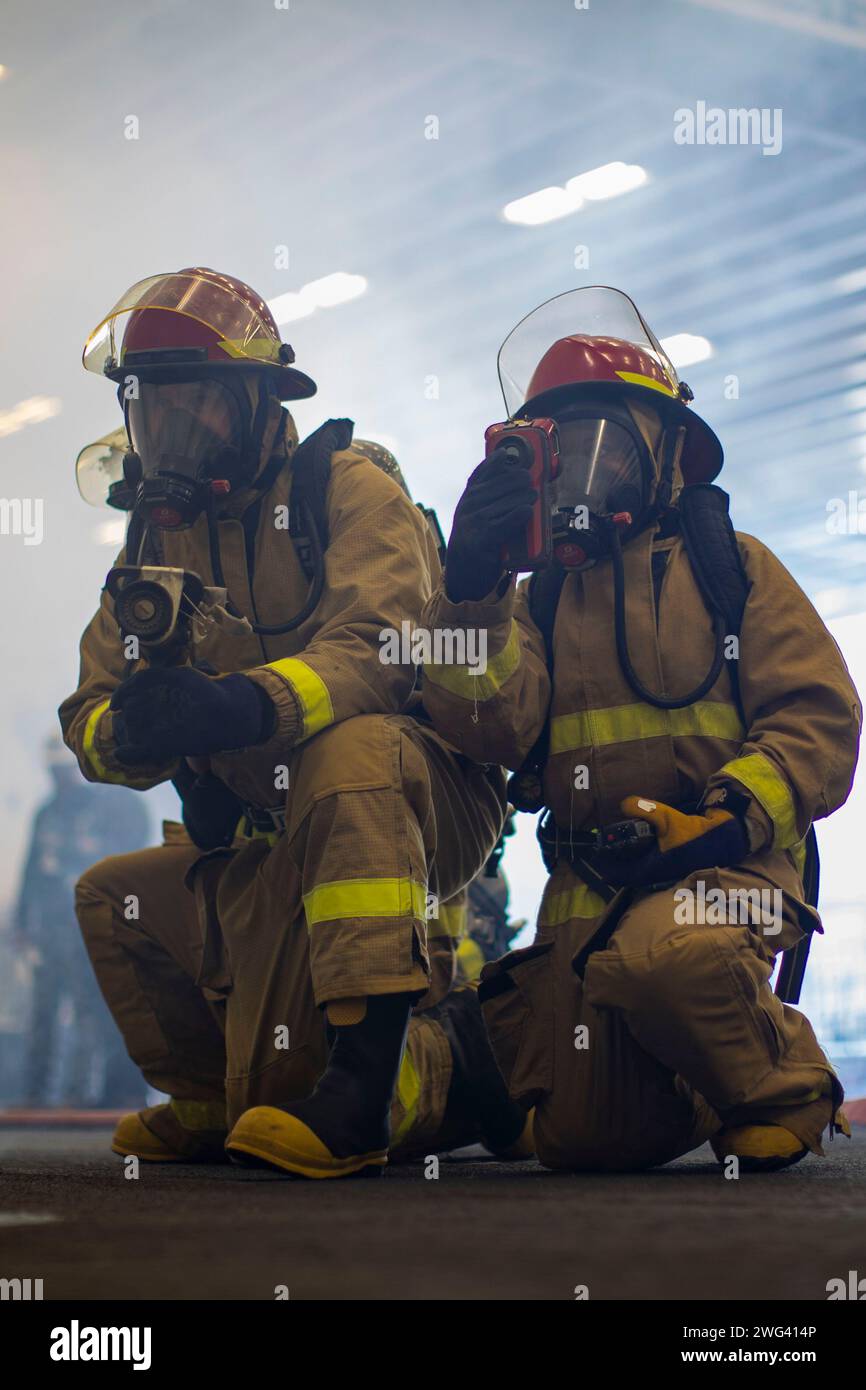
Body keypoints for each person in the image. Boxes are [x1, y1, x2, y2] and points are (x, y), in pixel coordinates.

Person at [60, 266, 530, 1177]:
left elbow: (379, 650)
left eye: (194, 406)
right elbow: (85, 706)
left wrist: (244, 704)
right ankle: (204, 1094)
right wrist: (128, 735)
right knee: (112, 896)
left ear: (257, 400)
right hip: (273, 834)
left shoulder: (347, 491)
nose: (171, 433)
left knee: (350, 749)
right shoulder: (156, 540)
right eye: (152, 409)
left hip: (421, 802)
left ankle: (366, 1086)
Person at [421, 285, 860, 1173]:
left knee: (671, 956)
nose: (587, 471)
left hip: (727, 869)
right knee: (588, 1141)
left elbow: (819, 717)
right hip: (592, 887)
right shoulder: (533, 597)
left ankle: (788, 1081)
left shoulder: (730, 567)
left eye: (607, 444)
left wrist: (729, 819)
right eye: (565, 448)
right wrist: (468, 587)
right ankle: (707, 1069)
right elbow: (489, 732)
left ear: (665, 454)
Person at [14, 734, 149, 1106]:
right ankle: (35, 1095)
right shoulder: (47, 812)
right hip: (49, 932)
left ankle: (80, 1092)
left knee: (88, 1009)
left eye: (62, 768)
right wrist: (22, 923)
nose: (58, 776)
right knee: (43, 1013)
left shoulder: (105, 809)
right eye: (53, 769)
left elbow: (121, 862)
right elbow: (31, 871)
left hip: (85, 927)